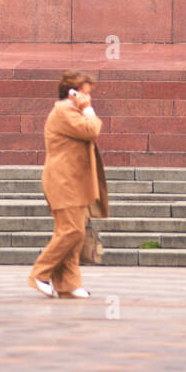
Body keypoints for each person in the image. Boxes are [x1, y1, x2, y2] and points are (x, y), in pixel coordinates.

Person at [27, 71, 107, 298]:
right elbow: (92, 130)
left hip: (74, 183)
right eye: (85, 93)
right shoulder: (65, 110)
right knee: (70, 230)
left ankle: (67, 283)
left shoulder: (73, 111)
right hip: (63, 182)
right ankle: (40, 274)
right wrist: (88, 109)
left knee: (75, 233)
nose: (88, 97)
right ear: (72, 92)